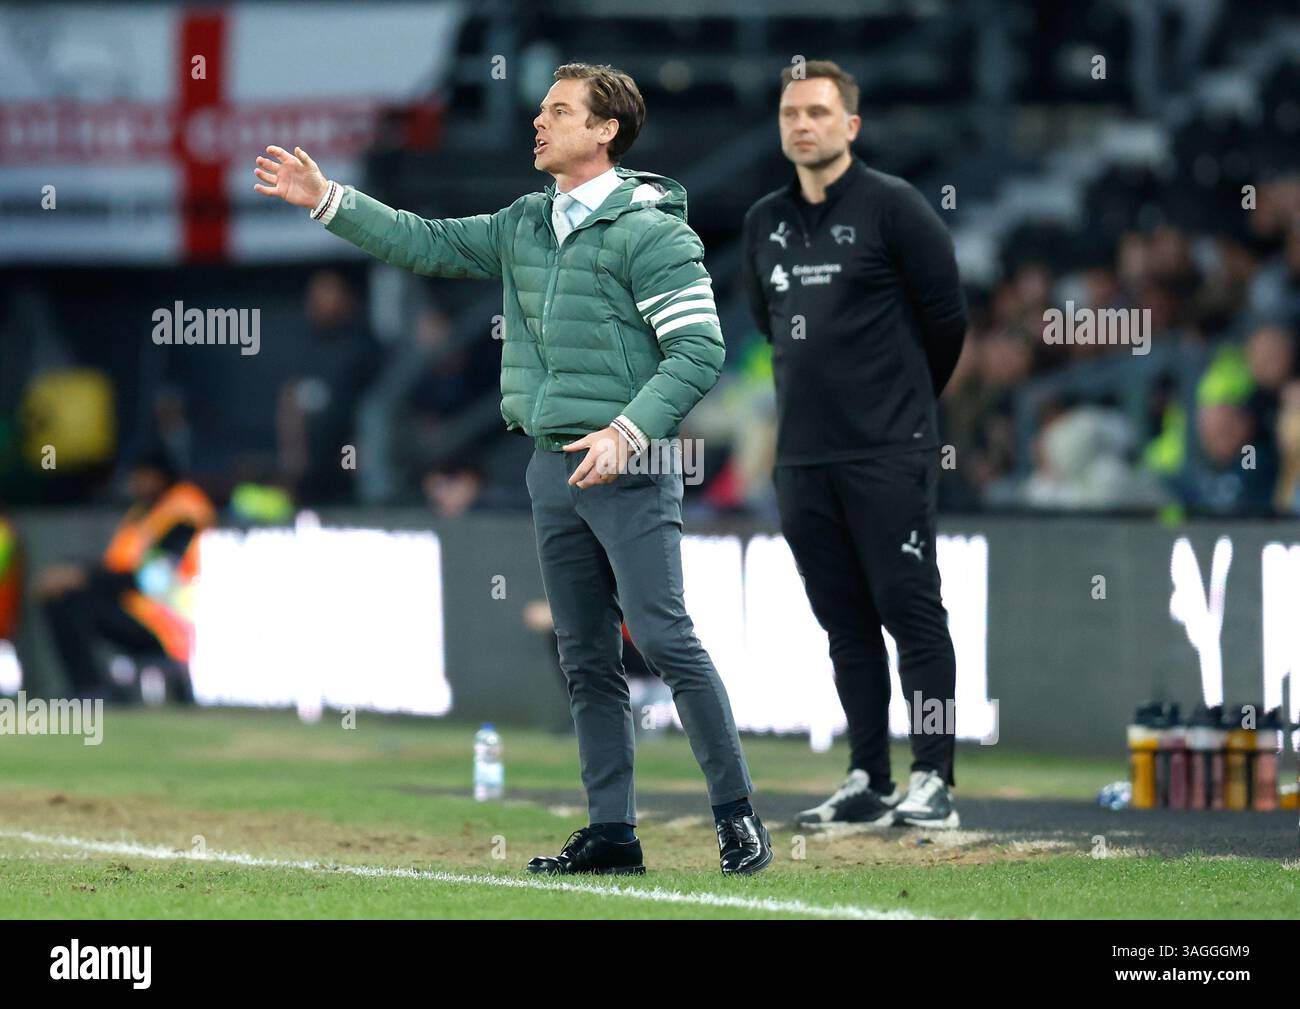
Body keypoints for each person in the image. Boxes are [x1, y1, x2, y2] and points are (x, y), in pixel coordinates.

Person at [254, 63, 771, 875]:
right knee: (585, 657)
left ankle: (737, 816)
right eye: (539, 110)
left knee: (665, 637)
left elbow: (701, 348)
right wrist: (329, 200)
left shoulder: (655, 231)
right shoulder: (525, 222)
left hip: (629, 466)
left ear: (605, 132)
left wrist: (629, 433)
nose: (539, 123)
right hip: (550, 466)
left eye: (559, 111)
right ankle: (612, 831)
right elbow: (422, 243)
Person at [742, 61, 967, 830]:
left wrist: (899, 408)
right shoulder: (762, 222)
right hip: (803, 458)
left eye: (816, 112)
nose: (801, 124)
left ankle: (934, 778)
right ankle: (866, 775)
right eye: (789, 113)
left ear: (850, 126)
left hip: (887, 451)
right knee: (843, 622)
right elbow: (771, 328)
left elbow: (947, 321)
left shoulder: (894, 208)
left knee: (910, 609)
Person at [36, 453, 215, 699]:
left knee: (72, 604)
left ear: (157, 474)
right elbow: (119, 566)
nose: (133, 483)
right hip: (136, 610)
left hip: (167, 623)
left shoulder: (184, 512)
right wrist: (74, 571)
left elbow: (153, 578)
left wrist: (82, 576)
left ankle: (92, 692)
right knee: (62, 596)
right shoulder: (145, 510)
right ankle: (90, 690)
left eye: (138, 475)